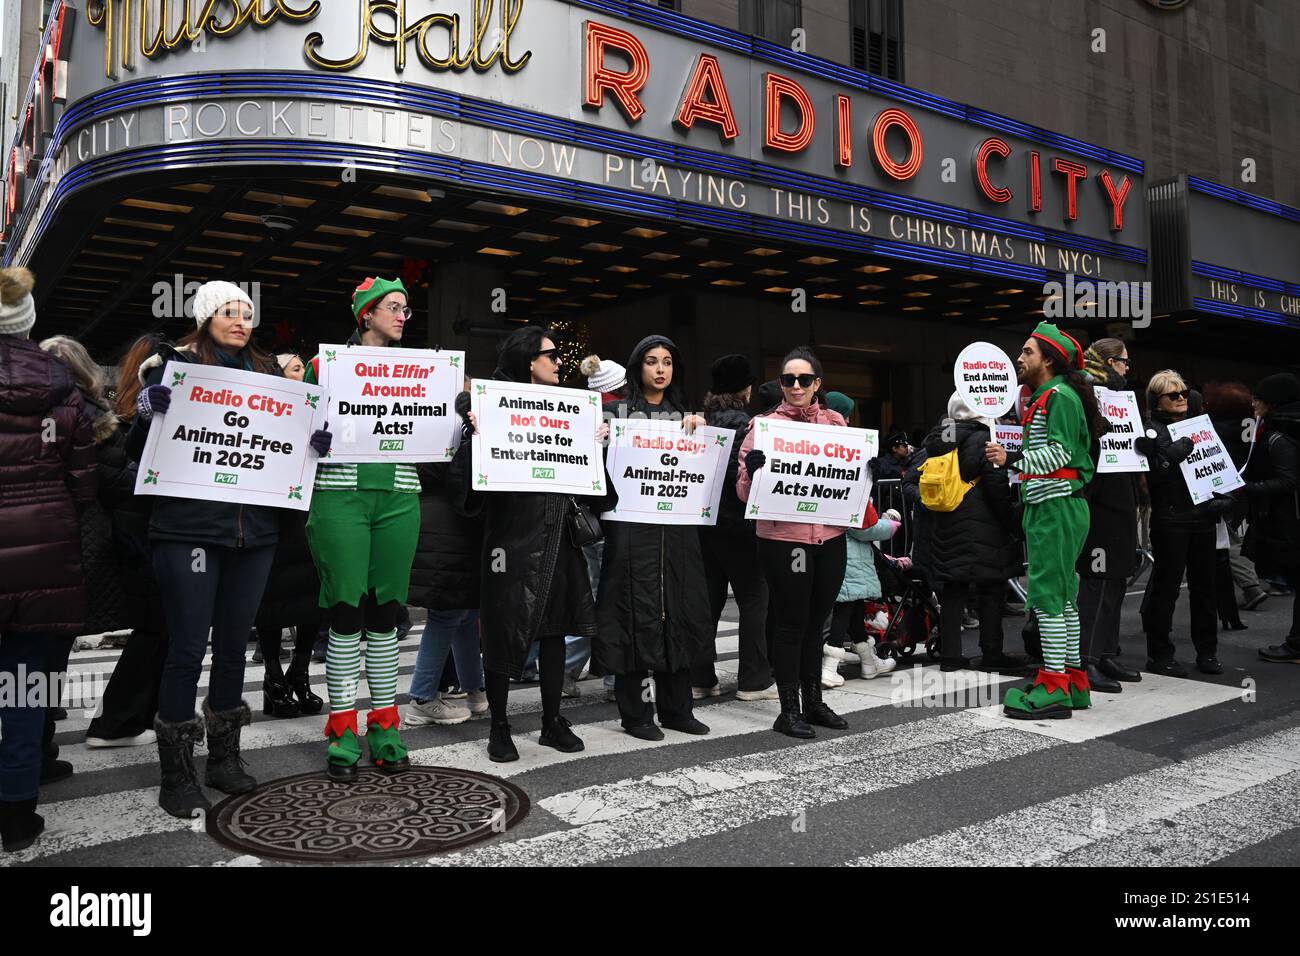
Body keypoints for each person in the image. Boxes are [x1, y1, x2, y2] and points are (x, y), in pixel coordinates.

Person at [131, 281, 332, 817]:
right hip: (189, 529)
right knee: (188, 645)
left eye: (248, 312)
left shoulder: (269, 378)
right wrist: (146, 414)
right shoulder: (169, 365)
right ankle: (176, 773)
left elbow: (283, 446)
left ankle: (224, 758)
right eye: (228, 311)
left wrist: (312, 446)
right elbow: (137, 451)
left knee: (231, 648)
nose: (242, 320)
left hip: (254, 533)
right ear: (204, 316)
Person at [454, 327, 614, 761]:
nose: (559, 362)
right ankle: (499, 726)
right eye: (551, 355)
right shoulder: (491, 413)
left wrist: (596, 447)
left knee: (555, 630)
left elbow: (601, 494)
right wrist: (475, 439)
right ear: (529, 361)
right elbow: (467, 495)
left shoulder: (573, 413)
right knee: (506, 629)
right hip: (510, 539)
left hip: (560, 534)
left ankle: (551, 721)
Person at [303, 278, 418, 779]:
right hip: (339, 496)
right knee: (346, 613)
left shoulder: (423, 372)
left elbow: (447, 439)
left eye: (406, 309)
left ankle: (386, 726)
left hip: (400, 493)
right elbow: (288, 428)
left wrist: (463, 419)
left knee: (388, 614)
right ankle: (343, 729)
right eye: (393, 307)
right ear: (365, 314)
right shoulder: (322, 365)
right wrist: (312, 436)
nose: (401, 316)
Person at [0, 267, 96, 852]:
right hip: (44, 556)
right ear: (29, 320)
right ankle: (17, 811)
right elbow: (82, 489)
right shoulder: (60, 386)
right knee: (26, 684)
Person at [596, 335, 713, 740]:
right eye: (650, 361)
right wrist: (602, 439)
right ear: (637, 367)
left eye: (666, 361)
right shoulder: (618, 414)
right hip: (630, 532)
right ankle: (636, 715)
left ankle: (678, 709)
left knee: (678, 611)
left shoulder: (687, 415)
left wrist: (699, 433)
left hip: (677, 533)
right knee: (632, 612)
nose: (660, 369)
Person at [987, 322, 1106, 719]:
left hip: (1055, 508)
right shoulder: (1054, 395)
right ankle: (1072, 680)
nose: (1019, 359)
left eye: (1027, 352)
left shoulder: (1059, 396)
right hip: (1055, 507)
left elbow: (1061, 451)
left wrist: (1012, 458)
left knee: (1050, 600)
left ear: (1049, 360)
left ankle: (1054, 684)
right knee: (1064, 598)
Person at [737, 346, 850, 738]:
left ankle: (814, 702)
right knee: (791, 623)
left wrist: (863, 472)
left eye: (804, 379)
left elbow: (848, 480)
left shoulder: (837, 424)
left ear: (817, 384)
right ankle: (789, 709)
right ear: (781, 384)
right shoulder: (763, 426)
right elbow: (741, 493)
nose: (796, 386)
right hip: (786, 542)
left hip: (830, 538)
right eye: (788, 379)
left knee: (817, 621)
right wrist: (751, 474)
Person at [83, 335, 168, 749]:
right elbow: (114, 483)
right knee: (155, 628)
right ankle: (115, 722)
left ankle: (140, 716)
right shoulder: (122, 419)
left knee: (163, 629)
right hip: (140, 538)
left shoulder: (126, 414)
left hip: (147, 535)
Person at [689, 354, 776, 701]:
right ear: (747, 389)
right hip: (741, 528)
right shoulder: (751, 427)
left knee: (706, 602)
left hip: (703, 526)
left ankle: (700, 678)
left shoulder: (698, 425)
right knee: (754, 599)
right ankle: (753, 680)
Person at [919, 392, 1024, 673]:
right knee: (991, 589)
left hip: (946, 523)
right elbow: (996, 487)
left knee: (953, 592)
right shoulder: (985, 439)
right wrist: (1013, 521)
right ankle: (991, 654)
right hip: (985, 525)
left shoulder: (940, 438)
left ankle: (951, 655)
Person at [1134, 370, 1228, 677]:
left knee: (1205, 589)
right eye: (1173, 395)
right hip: (1170, 520)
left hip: (1202, 516)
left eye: (1184, 394)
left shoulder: (1199, 426)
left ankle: (1208, 651)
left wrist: (1225, 495)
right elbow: (1151, 475)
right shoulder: (1148, 430)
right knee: (1167, 589)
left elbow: (1217, 465)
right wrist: (1172, 454)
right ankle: (1160, 654)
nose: (1180, 399)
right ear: (1157, 399)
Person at [249, 354, 324, 718]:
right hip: (271, 515)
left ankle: (300, 672)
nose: (302, 373)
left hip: (310, 513)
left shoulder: (316, 411)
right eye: (295, 368)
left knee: (311, 600)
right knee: (273, 602)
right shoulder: (266, 408)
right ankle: (273, 679)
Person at [405, 392, 487, 726]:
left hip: (444, 522)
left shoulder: (437, 428)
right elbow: (454, 477)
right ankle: (422, 697)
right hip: (448, 525)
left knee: (465, 611)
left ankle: (474, 688)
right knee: (448, 613)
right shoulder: (452, 431)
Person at [1076, 338, 1142, 691]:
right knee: (1095, 583)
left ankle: (1104, 654)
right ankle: (1085, 659)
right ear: (1109, 361)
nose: (1128, 368)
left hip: (1118, 499)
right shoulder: (1090, 393)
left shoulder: (1121, 399)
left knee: (1114, 580)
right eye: (1124, 362)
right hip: (1098, 502)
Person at [1244, 374, 1300, 663]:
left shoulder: (1279, 436)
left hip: (1290, 521)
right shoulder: (1291, 427)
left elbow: (1287, 481)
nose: (1254, 403)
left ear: (1272, 403)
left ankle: (1296, 646)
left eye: (1259, 399)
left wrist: (1245, 489)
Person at [1204, 381, 1268, 614]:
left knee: (1226, 538)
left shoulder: (1214, 428)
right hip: (1243, 489)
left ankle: (1251, 586)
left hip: (1222, 488)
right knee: (1229, 535)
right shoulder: (1253, 425)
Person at [824, 501, 900, 682]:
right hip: (851, 560)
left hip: (837, 554)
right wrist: (890, 526)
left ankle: (868, 663)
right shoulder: (852, 490)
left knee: (854, 609)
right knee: (844, 610)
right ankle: (829, 668)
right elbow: (865, 528)